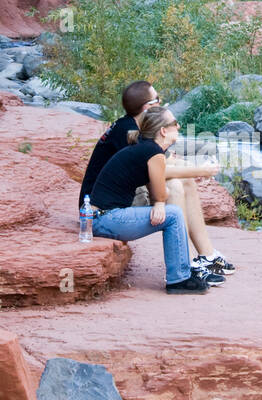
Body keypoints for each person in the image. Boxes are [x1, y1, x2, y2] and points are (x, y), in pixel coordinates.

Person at [78, 80, 236, 276]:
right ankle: (183, 264)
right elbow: (158, 172)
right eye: (158, 99)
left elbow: (167, 163)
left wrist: (197, 169)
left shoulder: (140, 128)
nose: (162, 103)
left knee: (184, 181)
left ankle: (207, 256)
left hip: (118, 198)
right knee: (175, 187)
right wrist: (199, 171)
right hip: (98, 207)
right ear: (149, 107)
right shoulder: (127, 131)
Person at [88, 107, 211, 294]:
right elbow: (160, 193)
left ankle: (184, 273)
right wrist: (160, 203)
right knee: (174, 215)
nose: (178, 126)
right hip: (105, 219)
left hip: (100, 217)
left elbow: (156, 187)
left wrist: (160, 201)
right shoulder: (154, 153)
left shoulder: (145, 148)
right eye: (174, 123)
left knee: (170, 212)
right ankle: (179, 278)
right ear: (163, 131)